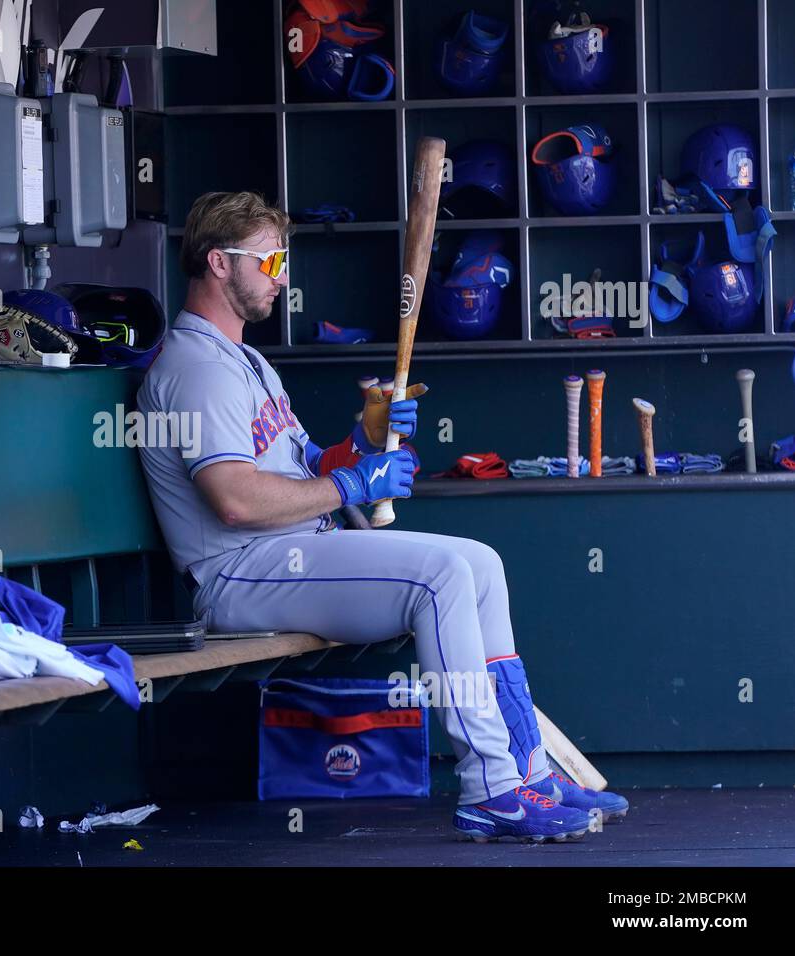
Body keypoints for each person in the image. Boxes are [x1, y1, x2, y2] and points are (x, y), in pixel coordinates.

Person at [135, 191, 628, 842]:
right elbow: (237, 499)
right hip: (241, 573)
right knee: (442, 573)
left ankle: (528, 770)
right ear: (219, 264)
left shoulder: (245, 362)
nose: (283, 277)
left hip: (296, 555)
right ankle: (492, 789)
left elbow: (307, 465)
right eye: (271, 260)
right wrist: (353, 482)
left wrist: (361, 444)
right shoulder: (195, 368)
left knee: (480, 563)